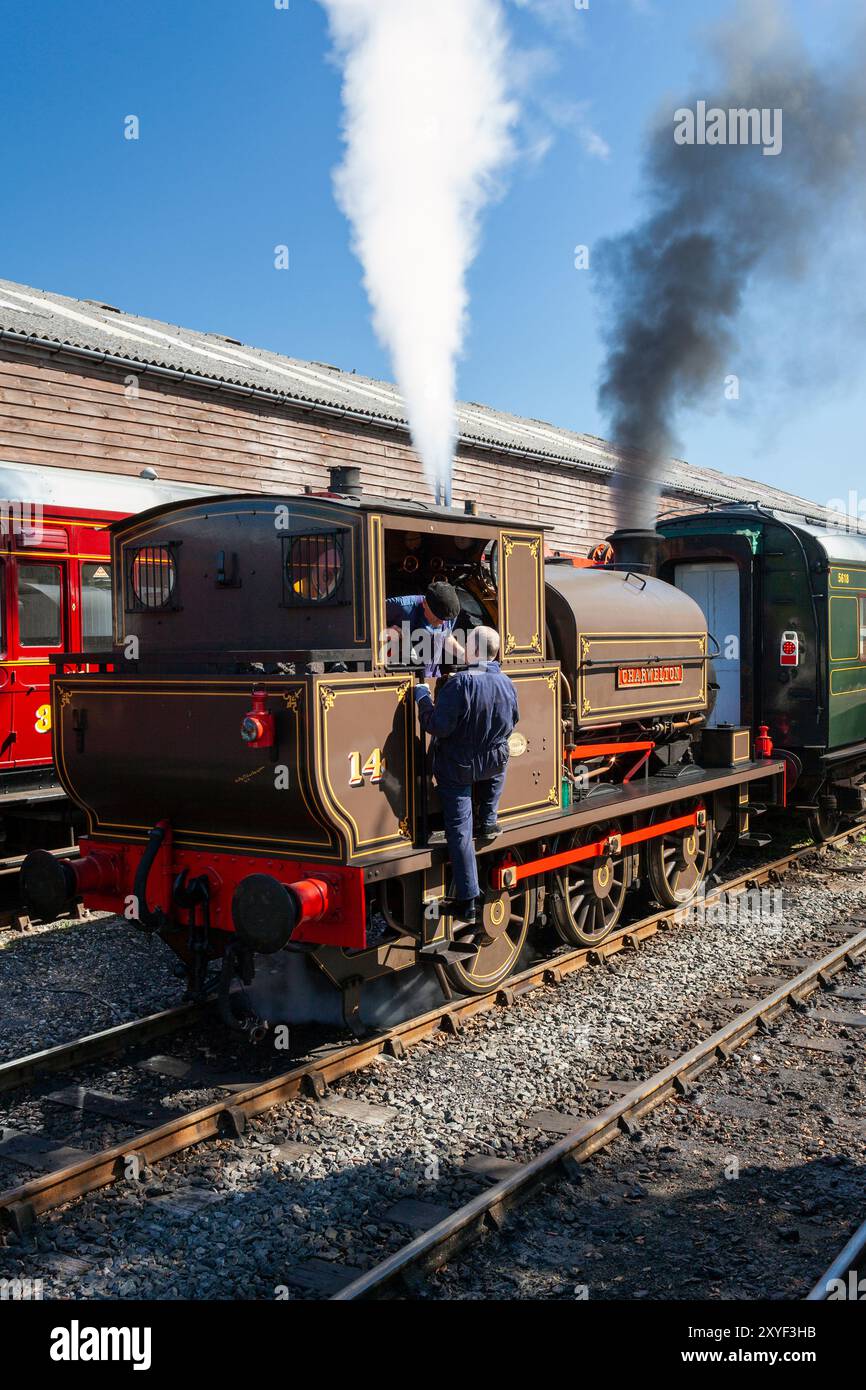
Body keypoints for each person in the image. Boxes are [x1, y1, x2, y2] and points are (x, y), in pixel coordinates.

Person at [413, 626, 519, 928]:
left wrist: (422, 697)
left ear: (472, 650)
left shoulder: (459, 684)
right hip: (494, 762)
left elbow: (438, 726)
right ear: (496, 653)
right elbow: (514, 720)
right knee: (496, 770)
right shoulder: (507, 682)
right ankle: (488, 817)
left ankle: (468, 901)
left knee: (459, 830)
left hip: (458, 766)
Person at [385, 580, 464, 676]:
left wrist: (465, 656)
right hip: (402, 676)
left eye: (445, 620)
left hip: (432, 676)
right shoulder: (402, 606)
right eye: (438, 618)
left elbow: (446, 637)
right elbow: (366, 622)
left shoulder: (449, 613)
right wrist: (387, 629)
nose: (442, 622)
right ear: (425, 603)